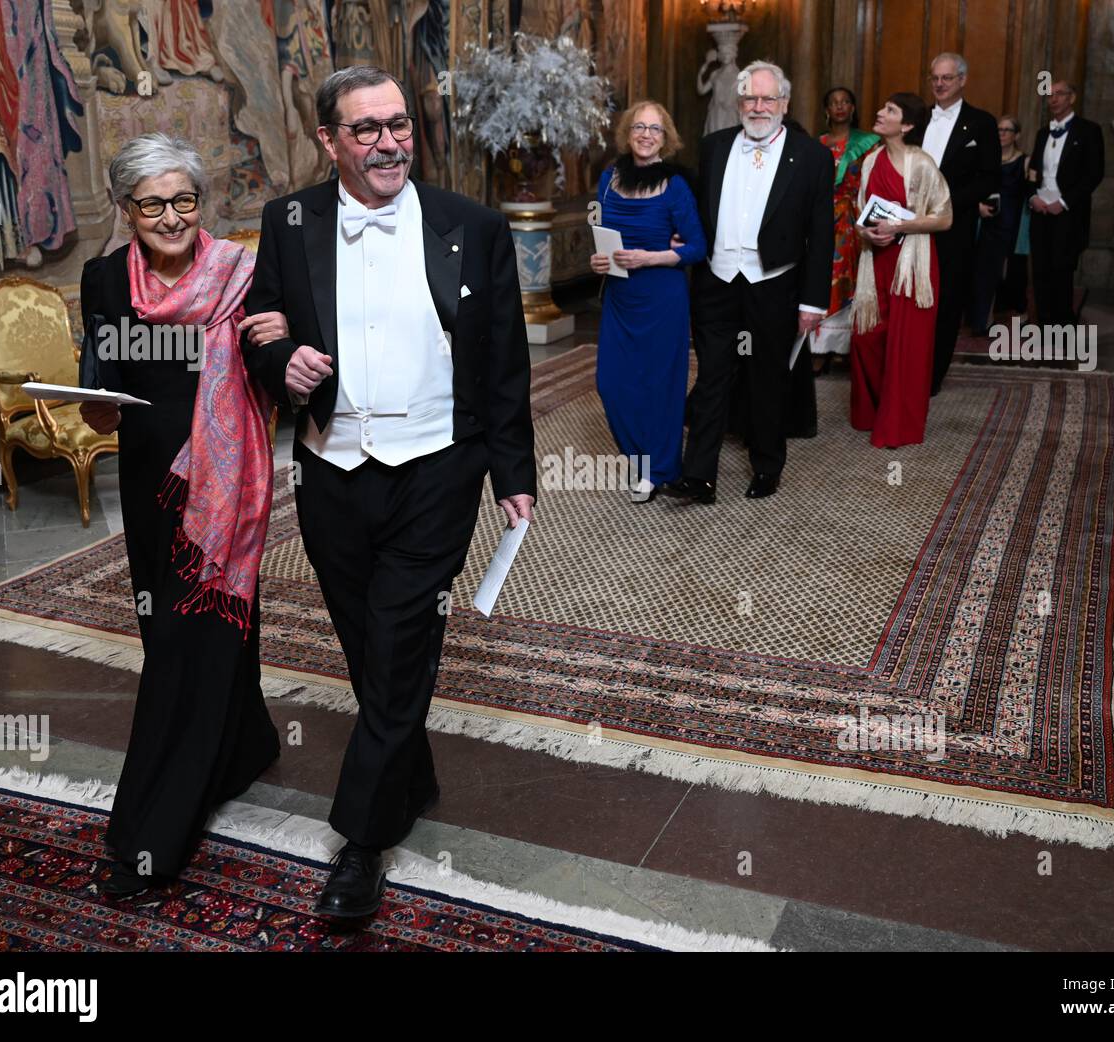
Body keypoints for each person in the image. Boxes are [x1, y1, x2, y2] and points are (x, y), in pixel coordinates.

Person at [240, 66, 536, 919]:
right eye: (364, 129)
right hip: (332, 469)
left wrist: (513, 472)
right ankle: (408, 761)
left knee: (401, 633)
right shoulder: (287, 222)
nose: (387, 142)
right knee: (368, 645)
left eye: (398, 125)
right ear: (329, 140)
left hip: (438, 468)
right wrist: (280, 361)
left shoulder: (470, 227)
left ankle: (362, 844)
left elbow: (504, 358)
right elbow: (262, 325)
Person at [76, 133, 289, 895]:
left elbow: (269, 363)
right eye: (153, 203)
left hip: (223, 488)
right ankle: (244, 742)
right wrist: (91, 405)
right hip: (149, 485)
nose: (172, 216)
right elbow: (100, 390)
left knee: (183, 642)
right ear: (126, 208)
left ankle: (152, 831)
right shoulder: (104, 279)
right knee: (171, 632)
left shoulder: (241, 272)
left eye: (185, 200)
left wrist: (286, 353)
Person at [665, 60, 834, 503]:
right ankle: (699, 475)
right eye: (751, 99)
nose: (759, 107)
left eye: (768, 98)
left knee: (766, 379)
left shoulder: (812, 156)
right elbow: (701, 209)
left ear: (784, 103)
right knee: (711, 378)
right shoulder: (714, 146)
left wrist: (813, 302)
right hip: (717, 282)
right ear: (739, 102)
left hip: (773, 284)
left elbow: (821, 234)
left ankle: (766, 466)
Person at [590, 100, 705, 502]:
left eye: (655, 129)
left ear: (665, 138)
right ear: (627, 132)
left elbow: (696, 247)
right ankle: (639, 458)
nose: (646, 135)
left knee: (660, 385)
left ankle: (658, 468)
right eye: (639, 126)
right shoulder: (608, 179)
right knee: (611, 383)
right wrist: (599, 260)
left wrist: (650, 257)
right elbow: (603, 234)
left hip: (663, 297)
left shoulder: (675, 185)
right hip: (621, 296)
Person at [850, 93, 952, 449]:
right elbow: (861, 212)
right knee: (867, 338)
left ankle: (899, 423)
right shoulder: (870, 161)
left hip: (913, 267)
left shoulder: (921, 163)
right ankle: (876, 409)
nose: (879, 112)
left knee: (906, 345)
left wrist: (900, 227)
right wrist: (866, 232)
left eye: (890, 110)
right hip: (875, 263)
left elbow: (945, 217)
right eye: (883, 106)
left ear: (907, 125)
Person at [921, 52, 999, 394]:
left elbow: (988, 178)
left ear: (962, 80)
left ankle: (933, 375)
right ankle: (907, 367)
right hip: (912, 225)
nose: (939, 83)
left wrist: (947, 201)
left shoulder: (981, 123)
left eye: (947, 78)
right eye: (935, 77)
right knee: (913, 296)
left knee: (948, 300)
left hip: (955, 226)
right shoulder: (917, 118)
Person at [811, 86, 880, 368]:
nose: (840, 107)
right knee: (823, 277)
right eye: (834, 102)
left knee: (849, 277)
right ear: (826, 110)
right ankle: (819, 347)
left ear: (853, 108)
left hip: (855, 217)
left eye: (846, 102)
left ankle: (843, 346)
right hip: (822, 217)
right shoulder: (817, 144)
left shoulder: (869, 143)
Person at [1028, 81, 1104, 327]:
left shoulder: (1089, 131)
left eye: (1059, 94)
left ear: (1072, 98)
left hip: (1067, 213)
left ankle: (1062, 322)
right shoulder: (1042, 133)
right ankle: (1043, 320)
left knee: (1062, 268)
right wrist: (1033, 196)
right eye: (1049, 95)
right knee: (1040, 268)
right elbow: (1033, 171)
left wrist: (1064, 202)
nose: (1053, 99)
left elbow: (1094, 174)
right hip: (1040, 210)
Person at [968, 115, 1029, 336]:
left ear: (1017, 135)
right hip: (985, 219)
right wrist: (977, 206)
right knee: (984, 269)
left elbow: (1030, 192)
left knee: (1012, 272)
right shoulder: (985, 159)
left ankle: (1018, 310)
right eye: (998, 130)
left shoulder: (1025, 161)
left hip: (1014, 222)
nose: (1001, 134)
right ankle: (984, 318)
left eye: (1007, 130)